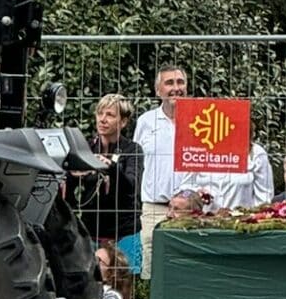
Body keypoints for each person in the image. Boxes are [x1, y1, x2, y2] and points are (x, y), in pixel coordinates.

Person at [135, 65, 189, 279]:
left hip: (190, 210)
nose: (176, 88)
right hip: (155, 208)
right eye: (169, 83)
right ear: (158, 91)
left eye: (180, 82)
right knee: (151, 269)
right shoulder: (146, 122)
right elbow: (137, 162)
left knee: (186, 266)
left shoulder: (201, 120)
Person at [78, 94, 143, 245]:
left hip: (124, 232)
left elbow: (132, 185)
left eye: (110, 115)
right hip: (91, 231)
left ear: (123, 122)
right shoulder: (87, 148)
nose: (103, 119)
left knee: (127, 269)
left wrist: (111, 168)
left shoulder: (132, 150)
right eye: (100, 113)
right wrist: (73, 174)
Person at [185, 120, 274, 211]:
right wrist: (195, 194)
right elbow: (185, 187)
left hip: (241, 222)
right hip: (203, 222)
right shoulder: (198, 149)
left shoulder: (256, 153)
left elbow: (264, 198)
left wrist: (252, 219)